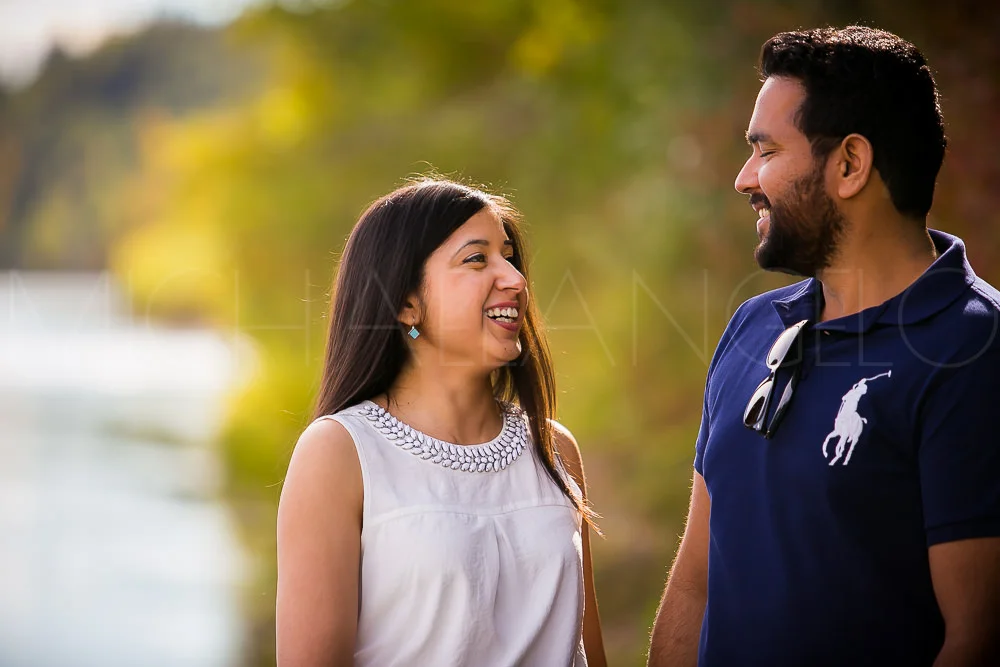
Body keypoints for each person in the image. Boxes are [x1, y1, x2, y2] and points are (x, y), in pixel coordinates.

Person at [648, 26, 1000, 667]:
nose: (743, 178)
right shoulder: (752, 329)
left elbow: (976, 638)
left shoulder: (974, 346)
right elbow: (696, 581)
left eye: (766, 151)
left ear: (849, 164)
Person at [275, 178, 607, 666]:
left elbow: (588, 652)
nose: (515, 279)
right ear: (406, 303)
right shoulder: (339, 453)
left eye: (509, 256)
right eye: (478, 259)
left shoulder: (554, 448)